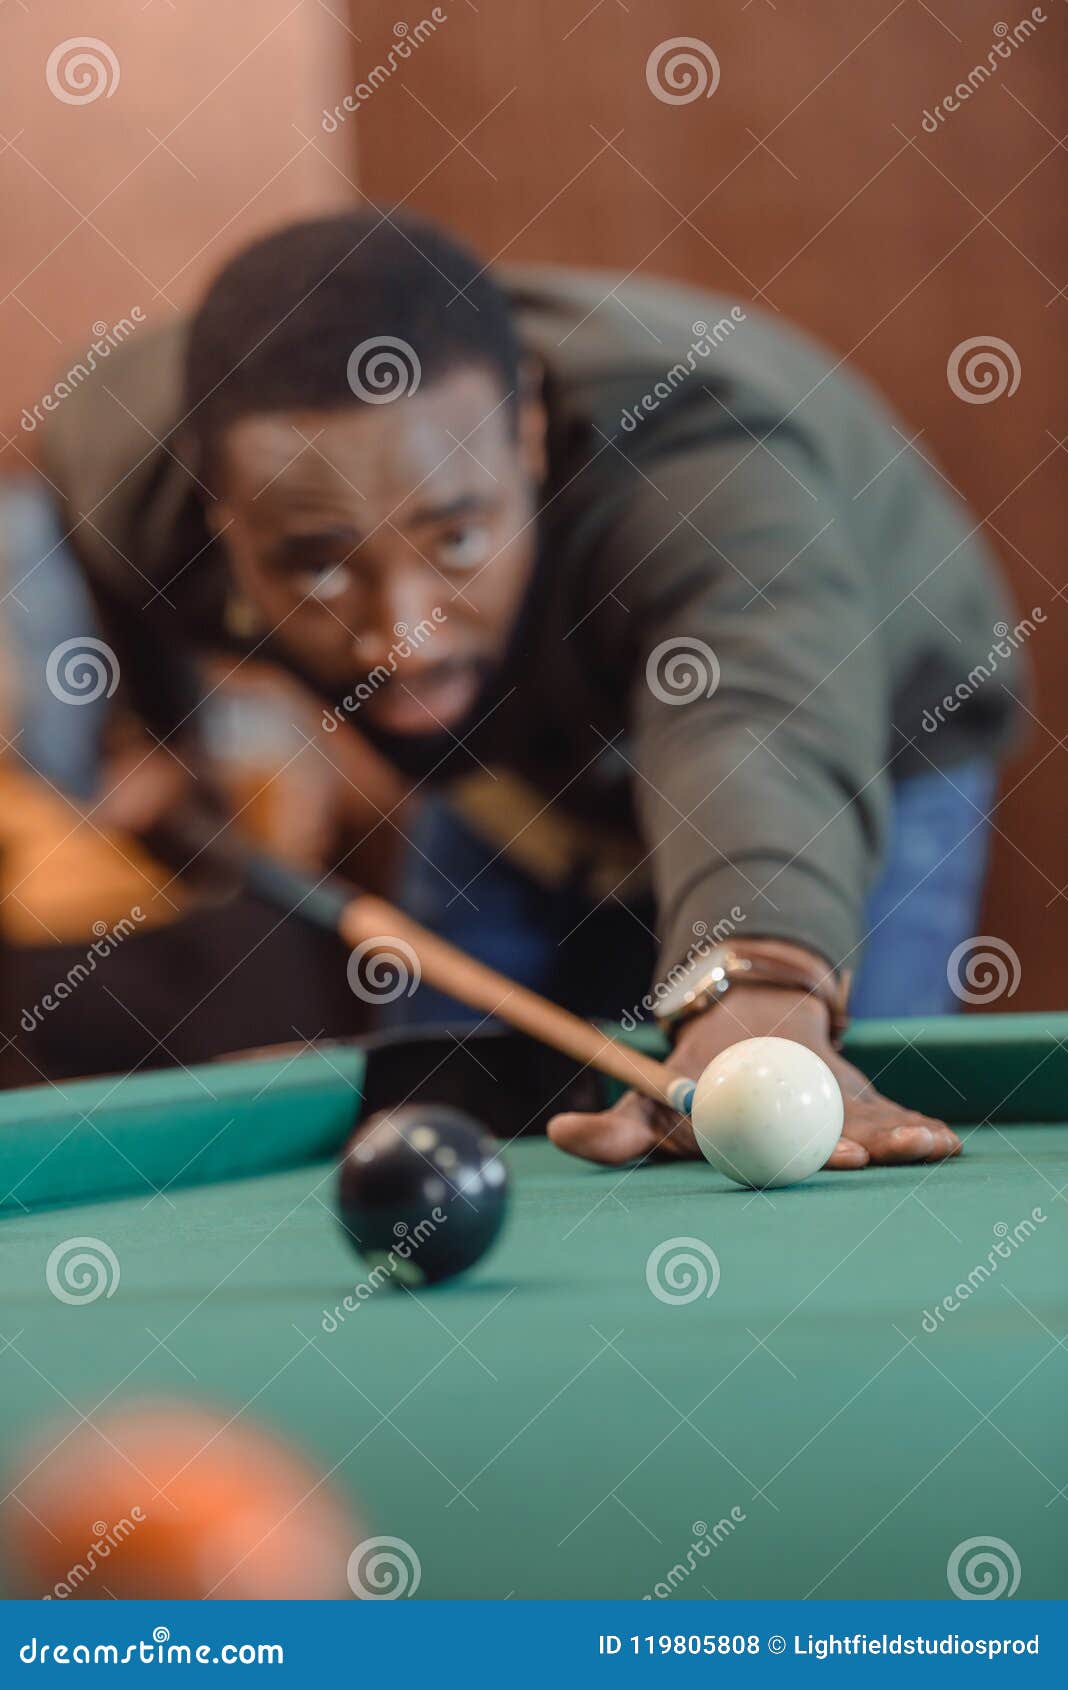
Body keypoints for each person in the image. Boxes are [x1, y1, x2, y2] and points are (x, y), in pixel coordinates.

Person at [31, 209, 1022, 1170]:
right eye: (320, 566)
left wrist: (758, 983)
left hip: (865, 731)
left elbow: (756, 722)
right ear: (217, 505)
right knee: (434, 1106)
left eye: (456, 539)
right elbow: (104, 546)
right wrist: (161, 737)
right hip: (513, 763)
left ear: (532, 435)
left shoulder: (699, 467)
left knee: (827, 1117)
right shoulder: (131, 470)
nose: (402, 640)